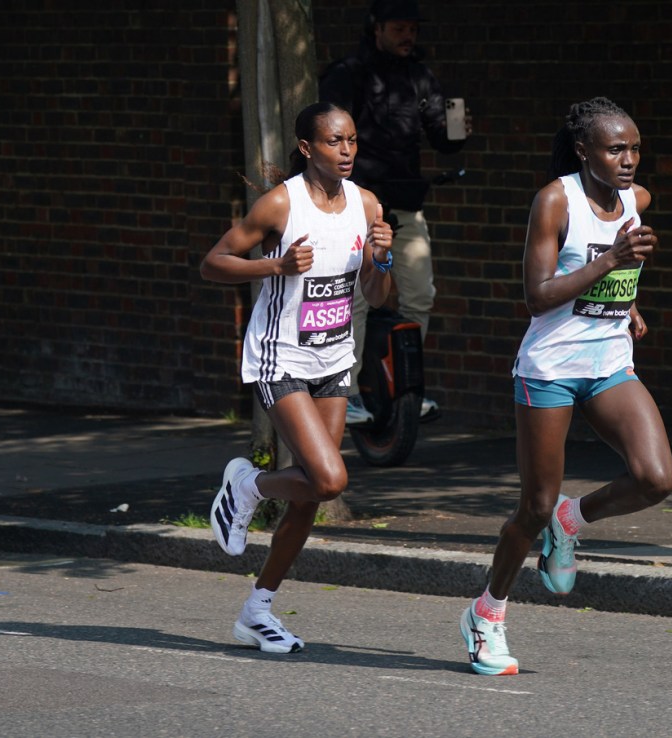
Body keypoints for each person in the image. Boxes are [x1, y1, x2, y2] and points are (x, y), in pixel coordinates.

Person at [460, 97, 672, 676]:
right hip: (550, 369)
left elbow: (619, 276)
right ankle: (486, 614)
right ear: (584, 151)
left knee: (656, 478)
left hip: (609, 362)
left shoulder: (638, 199)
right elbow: (537, 296)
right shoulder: (556, 200)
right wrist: (612, 263)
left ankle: (571, 520)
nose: (628, 160)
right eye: (615, 149)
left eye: (634, 148)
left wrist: (628, 303)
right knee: (531, 505)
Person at [200, 101, 393, 653]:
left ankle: (256, 610)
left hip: (333, 358)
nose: (348, 150)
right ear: (308, 148)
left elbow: (375, 297)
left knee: (309, 496)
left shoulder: (367, 204)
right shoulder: (281, 204)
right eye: (335, 141)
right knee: (329, 480)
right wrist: (275, 267)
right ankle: (248, 485)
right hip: (279, 358)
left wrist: (380, 261)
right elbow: (213, 262)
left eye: (353, 140)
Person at [319, 0, 471, 426]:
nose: (408, 35)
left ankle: (405, 386)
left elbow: (442, 139)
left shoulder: (420, 76)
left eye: (413, 29)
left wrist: (456, 133)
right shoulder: (348, 73)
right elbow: (328, 133)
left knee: (421, 295)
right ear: (376, 28)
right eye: (399, 27)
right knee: (358, 301)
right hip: (360, 203)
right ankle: (344, 393)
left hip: (405, 201)